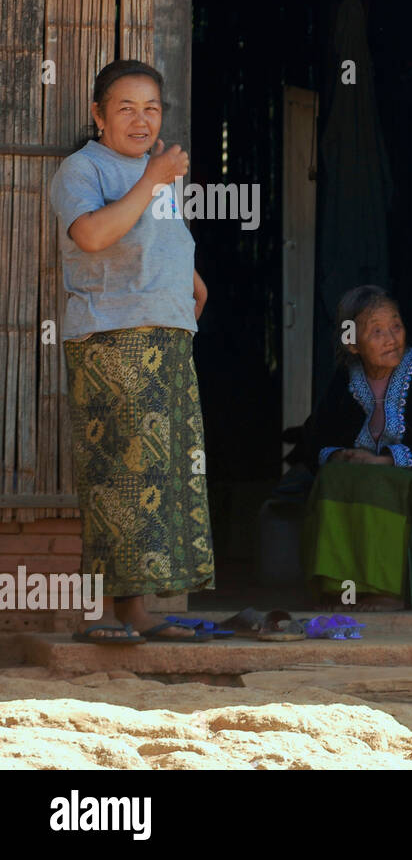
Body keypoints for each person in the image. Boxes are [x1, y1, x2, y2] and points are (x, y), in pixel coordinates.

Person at [48, 59, 213, 642]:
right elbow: (92, 235)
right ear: (98, 115)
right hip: (110, 340)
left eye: (152, 108)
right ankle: (96, 615)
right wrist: (153, 180)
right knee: (114, 474)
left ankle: (136, 611)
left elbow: (167, 242)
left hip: (165, 341)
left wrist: (195, 289)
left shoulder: (158, 176)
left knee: (161, 478)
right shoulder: (82, 169)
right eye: (126, 107)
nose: (142, 119)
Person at [303, 285, 412, 611]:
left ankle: (384, 590)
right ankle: (339, 589)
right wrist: (339, 454)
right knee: (332, 478)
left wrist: (382, 462)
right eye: (377, 331)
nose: (391, 338)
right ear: (352, 343)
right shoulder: (344, 379)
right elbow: (315, 437)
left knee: (374, 481)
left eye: (395, 326)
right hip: (364, 481)